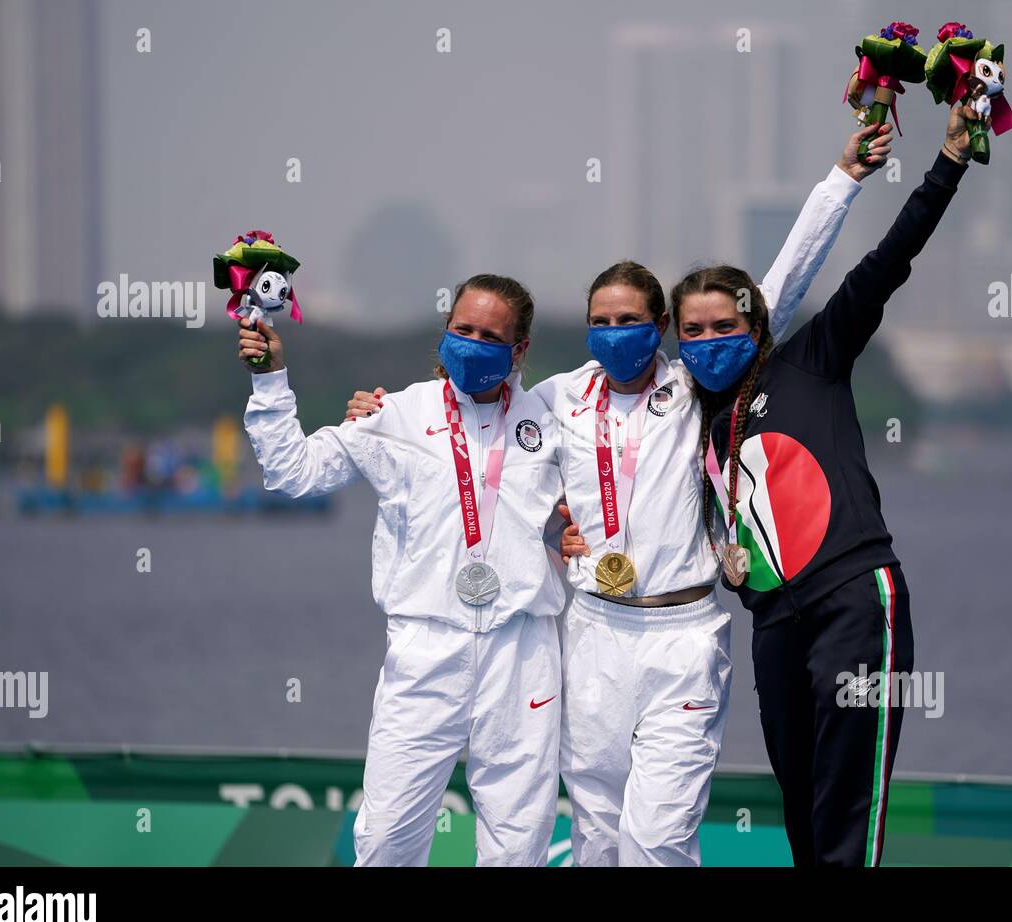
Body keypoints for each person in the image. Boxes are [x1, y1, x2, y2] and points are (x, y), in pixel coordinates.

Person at [346, 124, 894, 866]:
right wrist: (378, 412)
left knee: (656, 842)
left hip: (682, 632)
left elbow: (782, 282)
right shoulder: (554, 401)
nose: (613, 334)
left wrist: (843, 179)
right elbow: (472, 427)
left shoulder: (694, 381)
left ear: (660, 327)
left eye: (629, 321)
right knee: (600, 839)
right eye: (599, 322)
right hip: (592, 635)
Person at [667, 102, 979, 866]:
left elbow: (886, 263)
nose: (710, 342)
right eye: (693, 331)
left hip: (851, 599)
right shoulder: (690, 422)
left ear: (757, 327)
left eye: (725, 326)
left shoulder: (811, 358)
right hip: (774, 621)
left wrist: (948, 164)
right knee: (804, 816)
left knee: (847, 813)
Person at [240, 274, 566, 866]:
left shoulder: (551, 423)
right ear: (443, 334)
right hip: (424, 648)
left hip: (523, 652)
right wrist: (270, 380)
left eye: (489, 335)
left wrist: (573, 536)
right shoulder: (395, 414)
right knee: (386, 839)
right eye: (461, 329)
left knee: (519, 845)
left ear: (519, 350)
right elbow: (295, 473)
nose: (471, 342)